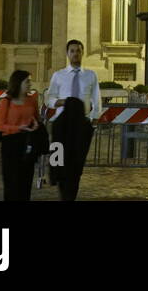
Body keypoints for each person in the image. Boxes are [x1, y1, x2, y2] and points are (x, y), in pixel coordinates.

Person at [45, 39, 101, 201]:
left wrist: (93, 119)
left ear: (82, 53)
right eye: (72, 51)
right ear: (67, 54)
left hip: (81, 127)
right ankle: (63, 192)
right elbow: (49, 99)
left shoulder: (90, 75)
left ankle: (70, 196)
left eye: (78, 50)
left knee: (76, 166)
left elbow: (96, 99)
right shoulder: (58, 75)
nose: (75, 53)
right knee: (59, 162)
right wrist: (64, 102)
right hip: (62, 126)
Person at [0, 69, 42, 201]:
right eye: (27, 81)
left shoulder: (32, 100)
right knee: (11, 184)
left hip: (27, 143)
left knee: (25, 183)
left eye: (30, 81)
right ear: (18, 83)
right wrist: (17, 128)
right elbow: (0, 126)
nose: (30, 84)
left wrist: (36, 125)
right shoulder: (6, 102)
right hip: (10, 145)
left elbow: (36, 119)